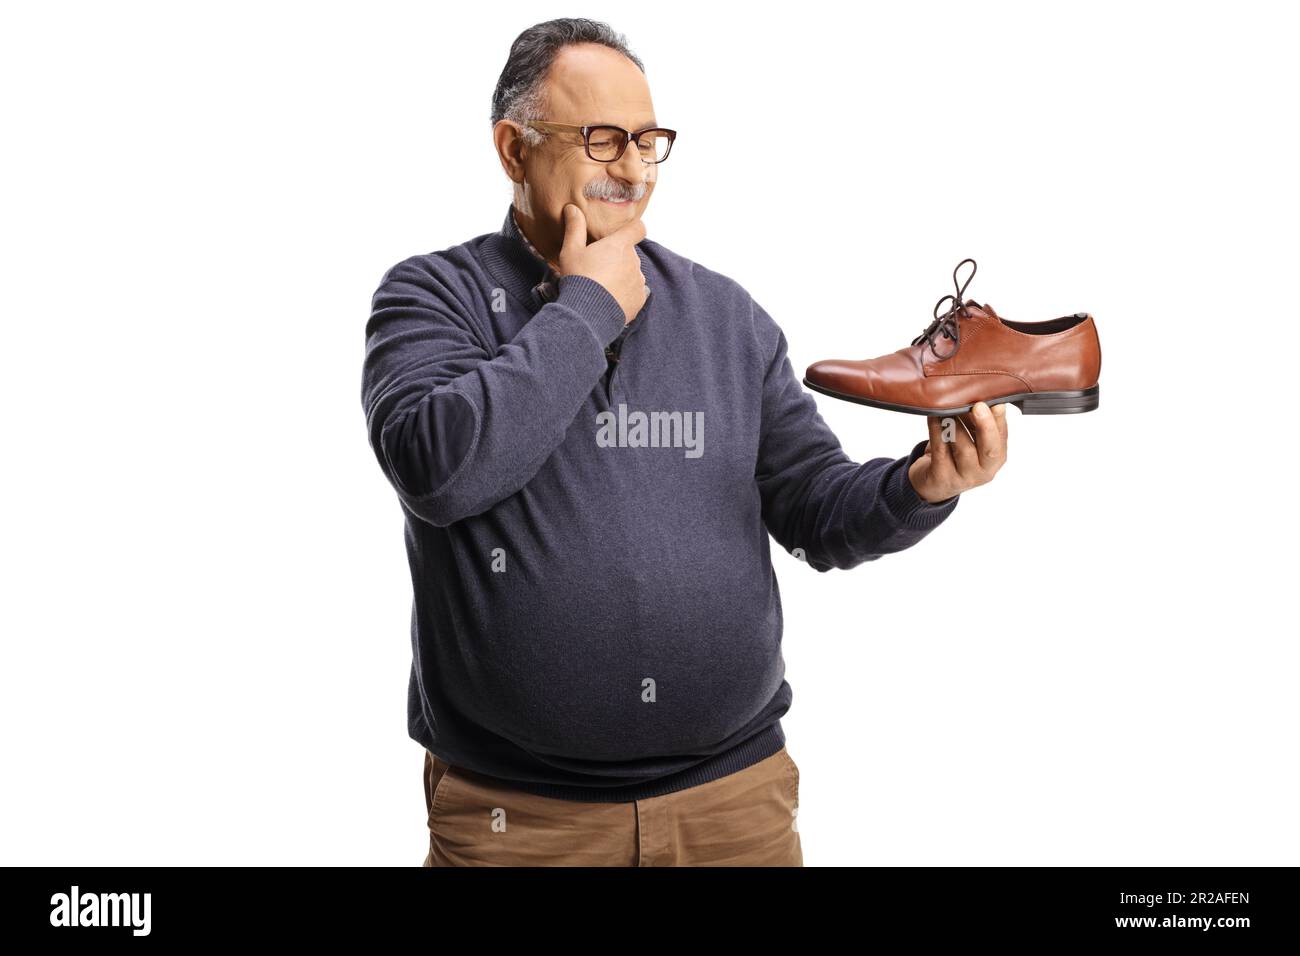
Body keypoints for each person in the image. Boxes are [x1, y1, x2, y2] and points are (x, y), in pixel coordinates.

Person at [359, 17, 1007, 866]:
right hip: (521, 827)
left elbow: (816, 507)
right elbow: (438, 469)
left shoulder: (725, 315)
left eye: (647, 140)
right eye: (600, 140)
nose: (631, 168)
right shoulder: (433, 294)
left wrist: (920, 485)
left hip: (735, 808)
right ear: (513, 150)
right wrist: (587, 309)